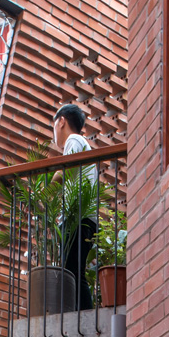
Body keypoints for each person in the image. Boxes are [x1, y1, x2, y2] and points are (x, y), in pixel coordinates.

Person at [52, 104, 97, 310]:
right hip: (82, 218)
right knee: (72, 271)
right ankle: (80, 316)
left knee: (72, 273)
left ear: (61, 121)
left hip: (79, 218)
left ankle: (85, 318)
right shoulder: (82, 143)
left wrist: (46, 194)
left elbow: (65, 169)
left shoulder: (75, 140)